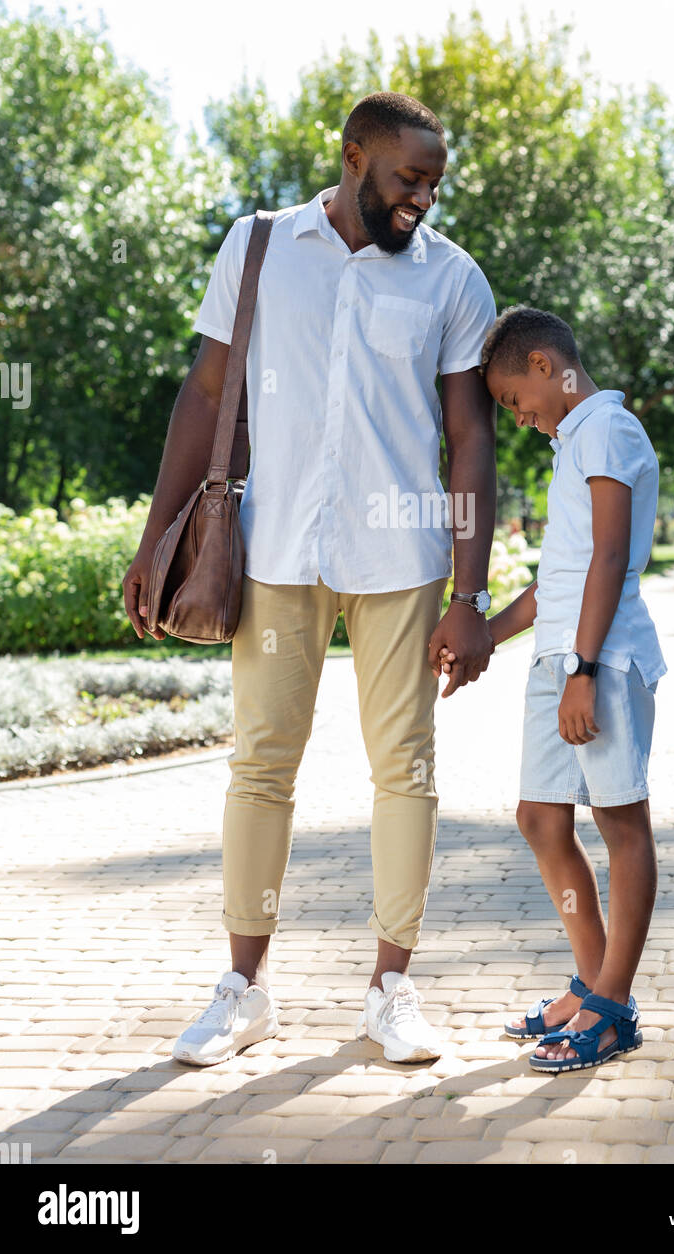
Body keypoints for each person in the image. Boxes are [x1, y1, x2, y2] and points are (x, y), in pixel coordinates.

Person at [122, 92, 497, 1065]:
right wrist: (155, 531)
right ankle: (243, 989)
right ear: (353, 157)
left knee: (403, 769)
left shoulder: (452, 280)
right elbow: (207, 391)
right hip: (278, 547)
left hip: (402, 559)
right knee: (259, 764)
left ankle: (391, 990)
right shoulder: (256, 248)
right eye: (407, 178)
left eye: (432, 183)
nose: (421, 197)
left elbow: (468, 437)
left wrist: (469, 593)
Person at [440, 305, 666, 1072]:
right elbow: (555, 583)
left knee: (621, 825)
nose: (518, 417)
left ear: (544, 365)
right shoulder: (575, 441)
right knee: (541, 819)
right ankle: (594, 979)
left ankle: (612, 1007)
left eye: (512, 401)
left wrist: (583, 671)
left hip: (598, 662)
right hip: (558, 661)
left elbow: (608, 561)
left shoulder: (606, 429)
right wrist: (480, 638)